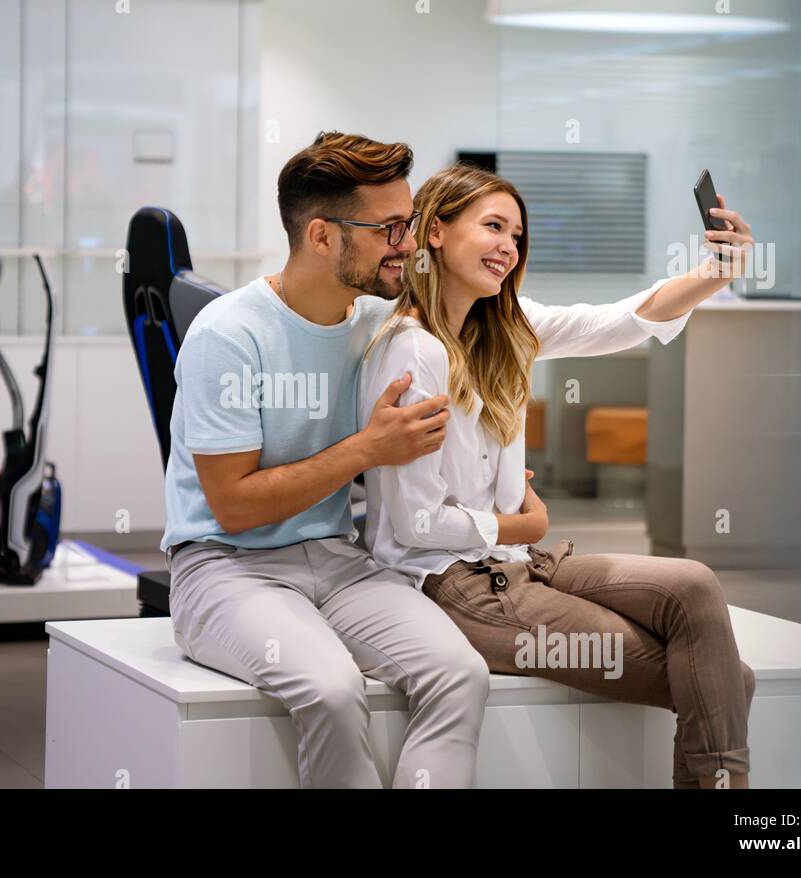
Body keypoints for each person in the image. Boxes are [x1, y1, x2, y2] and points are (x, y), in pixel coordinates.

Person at [359, 162, 757, 788]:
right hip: (448, 583)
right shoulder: (413, 348)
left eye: (516, 236)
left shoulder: (507, 329)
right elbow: (414, 525)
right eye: (493, 227)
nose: (508, 248)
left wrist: (716, 272)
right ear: (435, 231)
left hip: (517, 562)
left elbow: (622, 320)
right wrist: (521, 520)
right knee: (727, 680)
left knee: (694, 585)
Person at [162, 133, 490, 788]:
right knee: (334, 690)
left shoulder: (379, 323)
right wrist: (369, 448)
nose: (407, 243)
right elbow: (233, 503)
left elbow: (546, 322)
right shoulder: (229, 334)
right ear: (321, 236)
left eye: (410, 224)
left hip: (338, 561)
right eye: (389, 228)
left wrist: (701, 279)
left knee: (461, 675)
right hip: (224, 566)